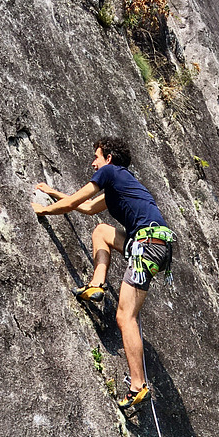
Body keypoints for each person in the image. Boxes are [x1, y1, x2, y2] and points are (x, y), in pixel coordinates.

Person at [31, 137, 175, 412]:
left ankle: (138, 385)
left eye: (96, 157)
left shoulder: (109, 173)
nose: (93, 162)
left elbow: (76, 201)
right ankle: (97, 284)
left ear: (108, 159)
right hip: (154, 245)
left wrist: (45, 210)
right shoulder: (119, 187)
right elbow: (84, 207)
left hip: (148, 246)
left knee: (125, 317)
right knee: (101, 231)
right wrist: (52, 192)